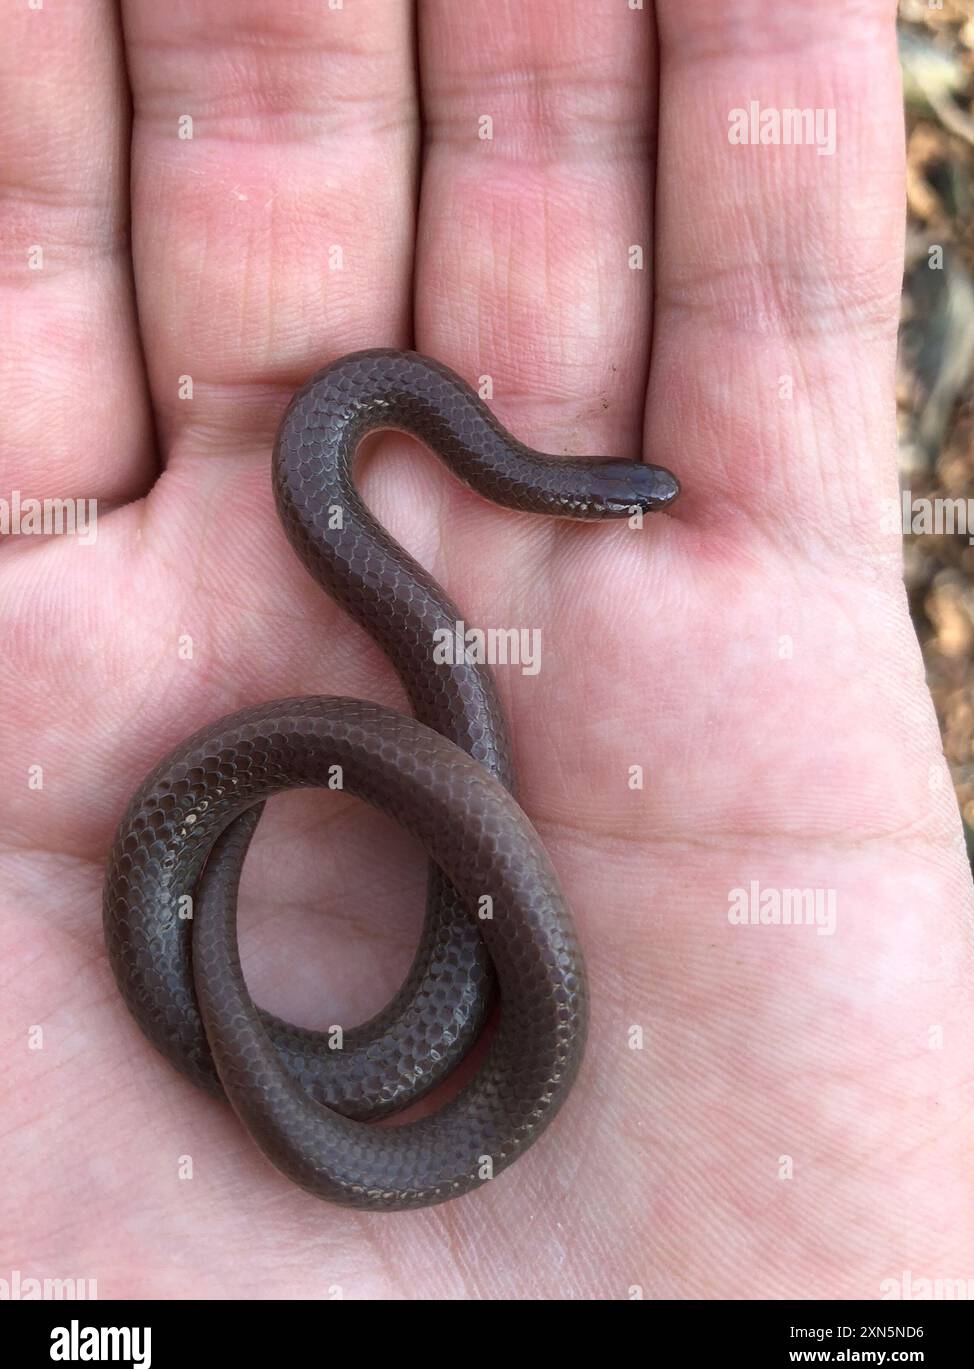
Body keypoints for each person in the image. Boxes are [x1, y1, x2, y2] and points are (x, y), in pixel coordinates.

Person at [2, 0, 969, 1299]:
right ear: (587, 500)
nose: (641, 510)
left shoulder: (463, 473)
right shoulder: (365, 436)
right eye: (633, 504)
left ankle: (236, 958)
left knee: (395, 815)